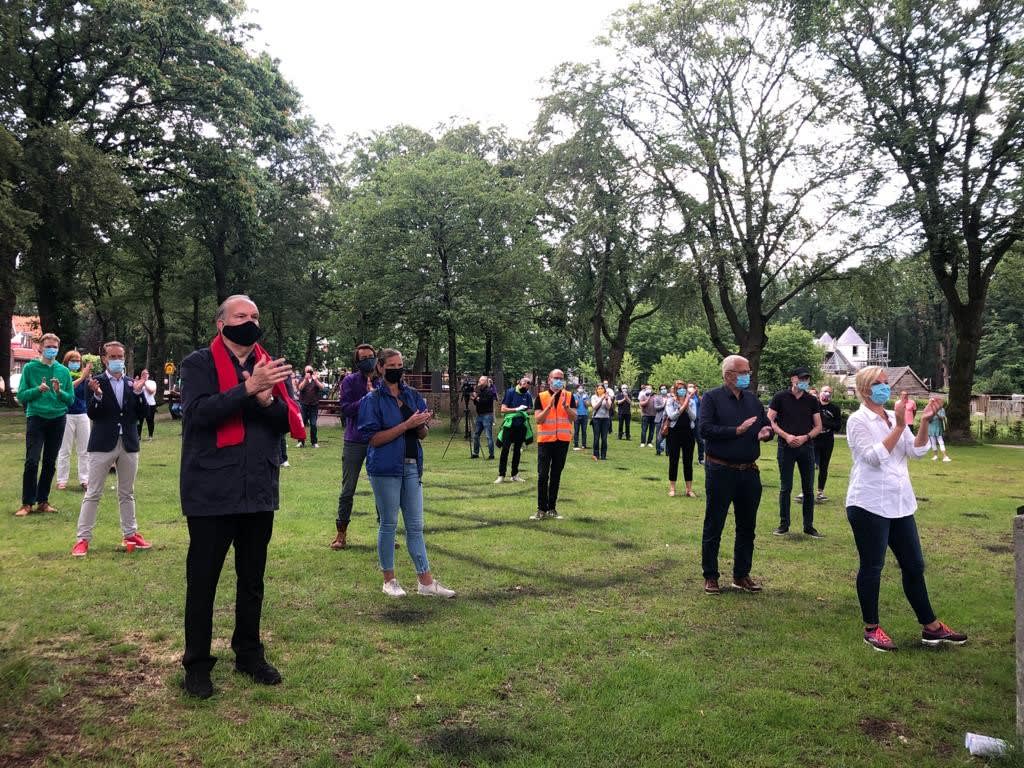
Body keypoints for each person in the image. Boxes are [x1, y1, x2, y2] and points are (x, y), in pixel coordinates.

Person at [179, 294, 305, 699]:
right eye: (240, 315)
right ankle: (197, 665)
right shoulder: (198, 364)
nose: (249, 321)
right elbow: (197, 414)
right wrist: (247, 388)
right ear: (221, 324)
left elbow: (285, 422)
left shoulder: (270, 367)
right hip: (212, 490)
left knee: (251, 579)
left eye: (254, 315)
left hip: (258, 488)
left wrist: (265, 396)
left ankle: (249, 653)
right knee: (203, 581)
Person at [844, 366, 967, 652]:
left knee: (914, 565)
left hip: (900, 504)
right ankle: (872, 629)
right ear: (865, 389)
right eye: (879, 384)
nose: (885, 388)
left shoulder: (891, 416)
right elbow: (873, 458)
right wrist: (899, 425)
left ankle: (931, 627)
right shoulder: (857, 421)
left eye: (886, 383)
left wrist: (922, 421)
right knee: (872, 566)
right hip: (869, 504)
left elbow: (917, 450)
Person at [358, 348, 454, 598]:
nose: (397, 369)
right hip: (385, 469)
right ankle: (389, 580)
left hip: (412, 466)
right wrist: (406, 425)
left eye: (400, 365)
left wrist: (422, 424)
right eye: (392, 365)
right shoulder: (372, 400)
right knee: (388, 524)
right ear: (380, 367)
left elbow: (422, 434)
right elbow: (373, 439)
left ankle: (426, 581)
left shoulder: (412, 395)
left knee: (415, 525)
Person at [698, 356, 775, 595]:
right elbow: (704, 429)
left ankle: (741, 575)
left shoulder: (752, 400)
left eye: (749, 372)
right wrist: (736, 431)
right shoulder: (712, 398)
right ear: (729, 374)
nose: (748, 375)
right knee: (715, 523)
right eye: (744, 372)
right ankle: (710, 575)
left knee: (747, 526)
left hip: (748, 471)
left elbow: (765, 426)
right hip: (721, 469)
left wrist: (766, 432)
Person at [71, 342, 153, 557]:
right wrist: (97, 396)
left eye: (121, 356)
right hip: (102, 444)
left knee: (127, 492)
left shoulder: (130, 383)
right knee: (93, 493)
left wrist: (138, 393)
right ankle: (83, 539)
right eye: (113, 356)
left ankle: (130, 533)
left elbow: (143, 413)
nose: (118, 360)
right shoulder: (94, 382)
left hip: (128, 443)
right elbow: (91, 414)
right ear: (105, 359)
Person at [16, 333, 74, 516]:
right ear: (40, 348)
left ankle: (43, 501)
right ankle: (27, 503)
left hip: (57, 419)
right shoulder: (30, 369)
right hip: (36, 418)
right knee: (32, 461)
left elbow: (70, 400)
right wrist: (38, 390)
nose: (52, 350)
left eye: (55, 347)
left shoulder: (63, 372)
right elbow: (22, 395)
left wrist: (59, 392)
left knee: (49, 462)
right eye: (48, 346)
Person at [767, 367, 824, 538]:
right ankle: (784, 525)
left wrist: (806, 437)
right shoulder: (780, 397)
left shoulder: (812, 400)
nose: (804, 382)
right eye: (802, 379)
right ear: (793, 379)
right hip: (786, 447)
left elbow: (818, 426)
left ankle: (809, 526)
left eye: (807, 379)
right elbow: (770, 420)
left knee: (808, 489)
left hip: (806, 447)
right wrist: (786, 436)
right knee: (786, 487)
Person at [333, 343, 377, 549]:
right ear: (357, 362)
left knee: (383, 490)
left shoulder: (384, 381)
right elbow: (346, 409)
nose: (369, 360)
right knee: (348, 489)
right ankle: (341, 534)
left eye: (372, 356)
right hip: (355, 440)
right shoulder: (350, 381)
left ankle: (385, 534)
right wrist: (367, 398)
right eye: (364, 357)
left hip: (379, 440)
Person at [533, 369, 576, 520]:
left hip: (562, 441)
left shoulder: (569, 396)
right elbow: (538, 419)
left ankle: (552, 508)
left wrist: (566, 407)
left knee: (556, 475)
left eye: (561, 378)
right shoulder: (541, 397)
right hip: (545, 442)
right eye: (556, 378)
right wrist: (549, 407)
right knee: (543, 475)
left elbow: (574, 417)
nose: (559, 380)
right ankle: (541, 509)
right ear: (549, 379)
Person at [56, 350, 92, 491]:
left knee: (84, 450)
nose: (75, 363)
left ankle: (85, 479)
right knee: (65, 449)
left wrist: (88, 379)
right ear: (67, 361)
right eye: (73, 360)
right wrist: (83, 377)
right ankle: (61, 480)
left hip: (83, 414)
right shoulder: (64, 375)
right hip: (67, 415)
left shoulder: (83, 375)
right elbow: (68, 388)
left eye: (78, 360)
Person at [495, 375, 533, 483]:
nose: (526, 388)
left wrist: (525, 411)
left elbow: (530, 410)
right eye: (525, 384)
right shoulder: (510, 392)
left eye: (528, 386)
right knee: (505, 450)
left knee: (517, 451)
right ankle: (501, 475)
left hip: (521, 426)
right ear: (520, 383)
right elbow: (503, 409)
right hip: (510, 426)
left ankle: (515, 474)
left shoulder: (527, 394)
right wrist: (516, 409)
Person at [664, 381, 698, 498]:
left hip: (688, 433)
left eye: (683, 388)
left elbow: (694, 417)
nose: (682, 390)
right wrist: (681, 407)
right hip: (674, 433)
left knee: (688, 461)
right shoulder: (670, 401)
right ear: (675, 390)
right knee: (673, 460)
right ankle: (672, 488)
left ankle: (689, 489)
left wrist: (687, 406)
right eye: (679, 388)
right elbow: (671, 416)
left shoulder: (692, 402)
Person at [812, 385, 842, 501]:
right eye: (825, 391)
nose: (827, 394)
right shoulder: (814, 406)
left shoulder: (835, 409)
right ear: (820, 393)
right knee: (811, 465)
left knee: (824, 467)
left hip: (827, 441)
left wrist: (823, 422)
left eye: (829, 392)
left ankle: (820, 492)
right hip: (813, 440)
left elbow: (837, 426)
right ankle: (806, 490)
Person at [470, 375, 497, 460]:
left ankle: (491, 454)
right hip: (479, 415)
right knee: (476, 434)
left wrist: (477, 398)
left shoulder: (489, 391)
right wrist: (474, 399)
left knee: (488, 435)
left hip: (487, 416)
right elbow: (477, 403)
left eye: (481, 381)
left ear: (485, 382)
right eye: (479, 380)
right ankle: (476, 453)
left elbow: (485, 402)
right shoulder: (479, 391)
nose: (479, 382)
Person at [296, 366, 322, 448]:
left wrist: (316, 380)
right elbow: (300, 388)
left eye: (310, 370)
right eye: (307, 371)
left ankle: (314, 442)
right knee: (302, 423)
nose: (309, 372)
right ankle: (301, 442)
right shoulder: (302, 379)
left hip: (314, 405)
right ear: (305, 371)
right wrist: (305, 380)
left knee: (313, 424)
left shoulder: (316, 379)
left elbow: (322, 387)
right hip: (304, 405)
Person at [590, 384, 613, 460]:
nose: (600, 390)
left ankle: (603, 455)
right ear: (596, 389)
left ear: (604, 389)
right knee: (596, 438)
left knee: (604, 438)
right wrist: (601, 399)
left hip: (605, 419)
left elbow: (608, 407)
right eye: (599, 388)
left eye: (601, 388)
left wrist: (606, 399)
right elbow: (595, 407)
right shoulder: (594, 397)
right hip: (596, 419)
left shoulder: (608, 397)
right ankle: (596, 454)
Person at [137, 376, 158, 441]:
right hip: (141, 405)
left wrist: (145, 384)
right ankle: (138, 437)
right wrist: (140, 383)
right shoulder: (139, 382)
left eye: (146, 374)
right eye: (143, 374)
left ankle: (150, 436)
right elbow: (136, 391)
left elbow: (151, 392)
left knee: (150, 420)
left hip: (151, 404)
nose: (145, 376)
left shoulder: (152, 382)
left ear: (148, 375)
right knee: (139, 422)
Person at [653, 385, 669, 456]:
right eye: (662, 389)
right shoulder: (657, 398)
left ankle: (668, 452)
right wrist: (663, 405)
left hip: (668, 419)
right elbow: (656, 407)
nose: (663, 390)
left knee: (668, 436)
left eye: (665, 389)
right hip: (659, 419)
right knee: (658, 436)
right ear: (660, 390)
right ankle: (658, 451)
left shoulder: (670, 397)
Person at [572, 384, 589, 451]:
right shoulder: (574, 396)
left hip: (584, 415)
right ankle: (576, 445)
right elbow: (575, 405)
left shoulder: (586, 395)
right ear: (577, 389)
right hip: (577, 415)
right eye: (579, 388)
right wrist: (578, 399)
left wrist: (585, 400)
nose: (581, 389)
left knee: (584, 431)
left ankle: (584, 445)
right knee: (576, 430)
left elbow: (587, 405)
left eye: (582, 388)